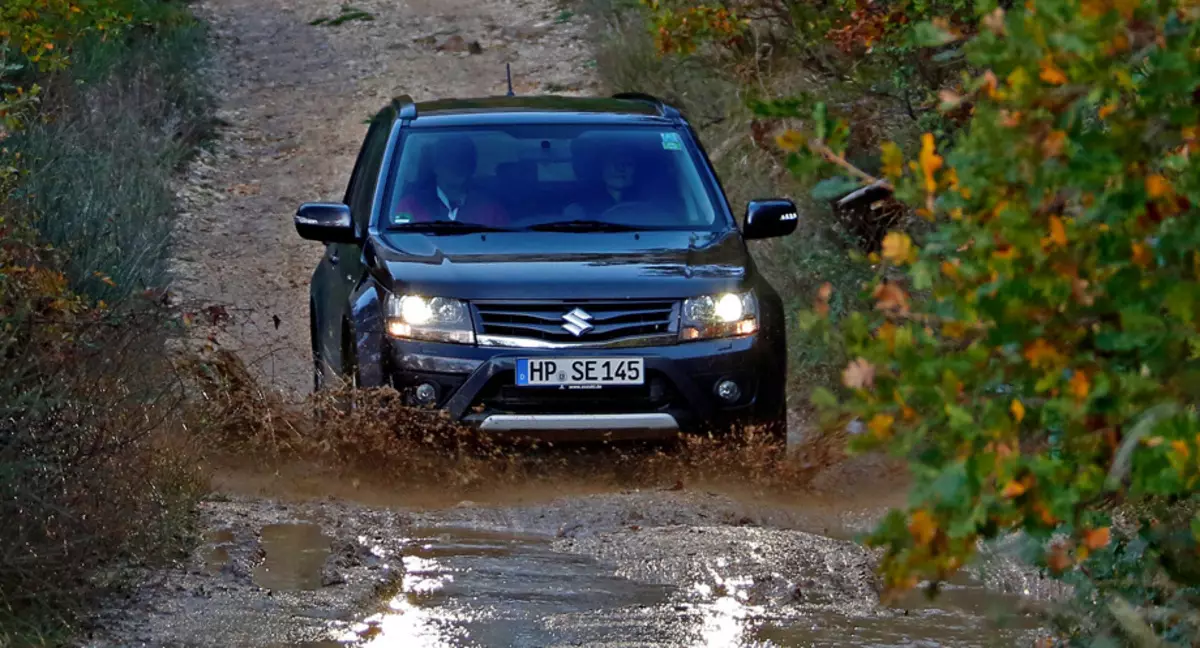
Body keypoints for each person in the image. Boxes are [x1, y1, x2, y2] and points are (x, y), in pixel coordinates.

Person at [393, 135, 509, 226]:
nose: (456, 167)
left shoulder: (491, 209)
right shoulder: (410, 206)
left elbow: (503, 246)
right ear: (435, 166)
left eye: (462, 161)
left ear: (472, 167)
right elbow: (398, 238)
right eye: (449, 160)